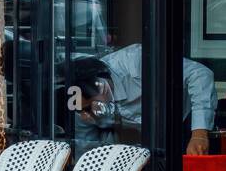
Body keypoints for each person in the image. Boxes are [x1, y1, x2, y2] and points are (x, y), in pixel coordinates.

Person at [62, 43, 216, 155]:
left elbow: (200, 75)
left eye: (88, 108)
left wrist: (199, 134)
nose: (85, 116)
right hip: (157, 139)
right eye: (79, 110)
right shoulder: (82, 106)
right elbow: (88, 153)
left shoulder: (135, 62)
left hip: (192, 120)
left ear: (101, 86)